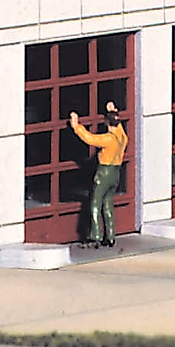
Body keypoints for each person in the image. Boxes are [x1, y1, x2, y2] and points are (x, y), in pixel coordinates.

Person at [68, 101, 128, 247]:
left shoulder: (108, 139)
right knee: (108, 204)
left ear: (107, 123)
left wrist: (77, 126)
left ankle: (95, 235)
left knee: (95, 203)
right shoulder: (122, 137)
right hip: (116, 173)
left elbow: (90, 138)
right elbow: (119, 126)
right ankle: (110, 235)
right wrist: (113, 110)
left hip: (104, 172)